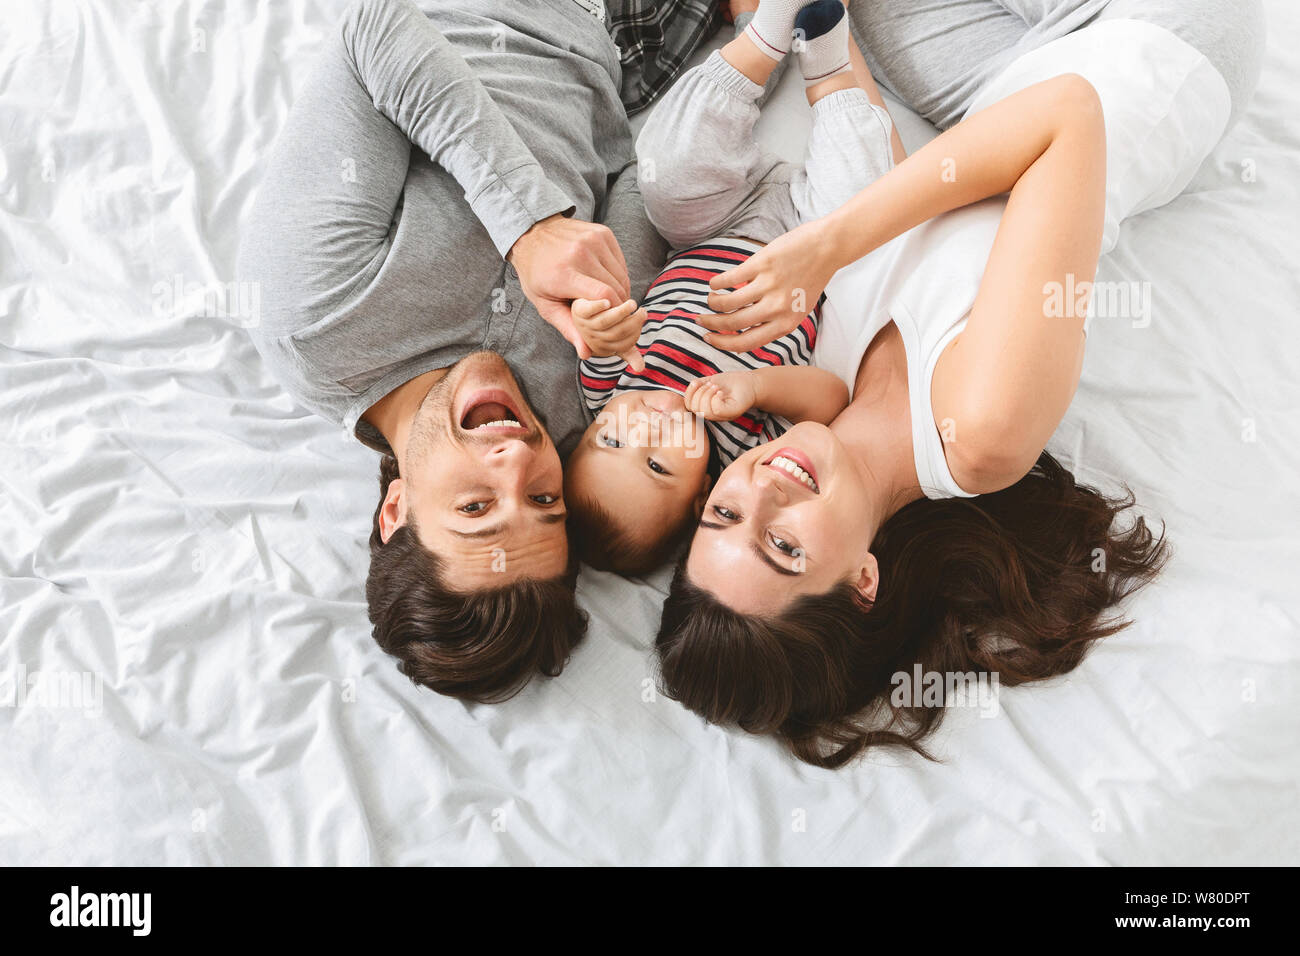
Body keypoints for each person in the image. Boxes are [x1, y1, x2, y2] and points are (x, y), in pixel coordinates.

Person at [654, 0, 1266, 767]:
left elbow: (853, 107)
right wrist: (829, 244)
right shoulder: (980, 438)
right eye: (780, 545)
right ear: (863, 581)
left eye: (724, 513)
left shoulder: (816, 383)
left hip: (995, 90)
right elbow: (1067, 118)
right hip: (1157, 40)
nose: (763, 490)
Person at [236, 0, 717, 702]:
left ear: (396, 508)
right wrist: (625, 306)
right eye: (544, 499)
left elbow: (371, 31)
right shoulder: (575, 421)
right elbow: (639, 187)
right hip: (630, 60)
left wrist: (529, 230)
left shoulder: (313, 313)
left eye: (474, 508)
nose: (520, 458)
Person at [564, 0, 900, 575]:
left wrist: (598, 322)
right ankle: (825, 58)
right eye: (658, 466)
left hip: (717, 221)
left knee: (664, 173)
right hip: (810, 243)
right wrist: (758, 387)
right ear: (701, 496)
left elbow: (597, 326)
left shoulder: (608, 389)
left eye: (613, 442)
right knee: (875, 214)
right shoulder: (743, 453)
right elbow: (830, 401)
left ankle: (764, 38)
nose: (645, 428)